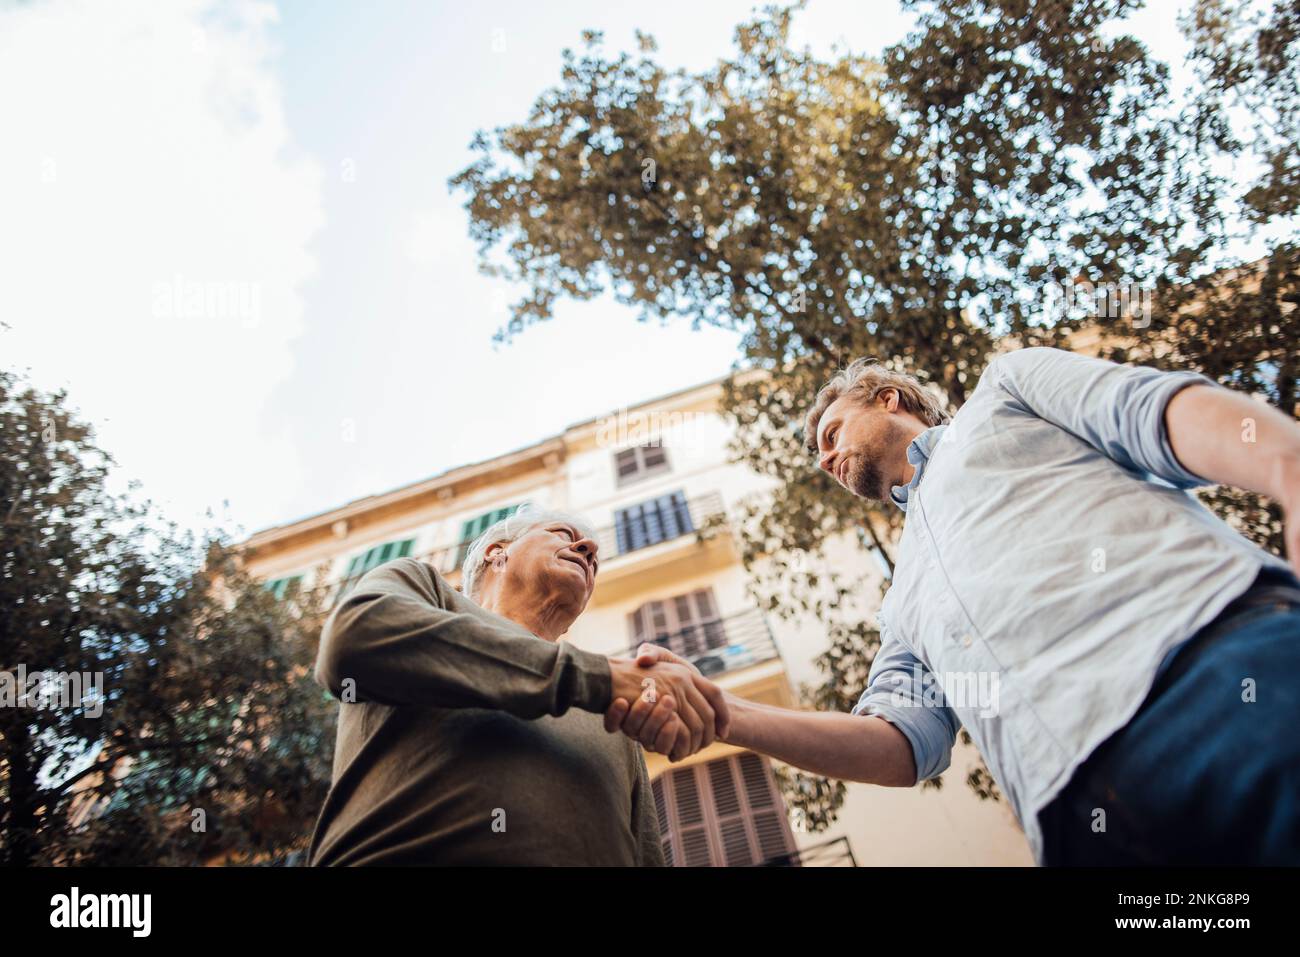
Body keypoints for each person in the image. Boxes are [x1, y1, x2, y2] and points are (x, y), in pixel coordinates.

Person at [607, 347, 1300, 865]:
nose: (825, 460)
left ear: (884, 396)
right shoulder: (903, 601)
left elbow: (1156, 411)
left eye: (829, 436)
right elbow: (901, 745)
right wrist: (723, 711)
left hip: (1216, 679)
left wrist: (1288, 471)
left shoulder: (1006, 390)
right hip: (1081, 823)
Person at [309, 505, 727, 865]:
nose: (589, 551)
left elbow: (645, 854)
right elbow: (352, 639)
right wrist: (603, 677)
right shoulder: (426, 591)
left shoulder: (614, 710)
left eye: (595, 559)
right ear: (497, 553)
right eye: (564, 536)